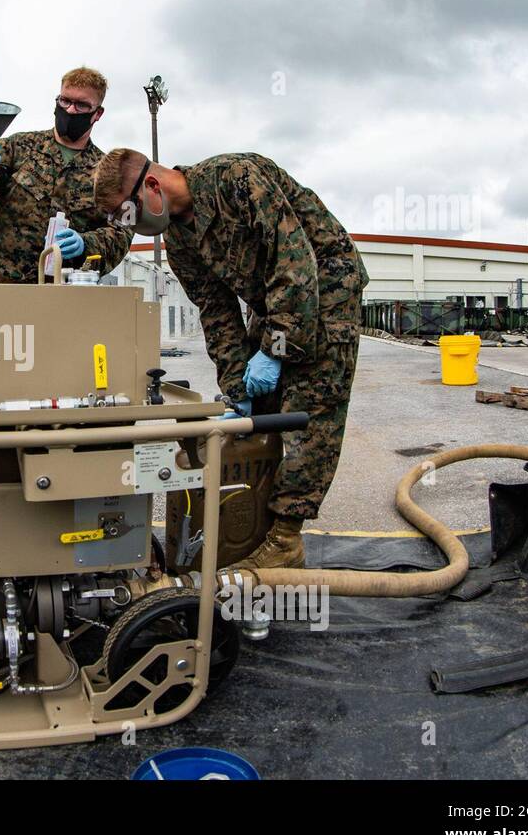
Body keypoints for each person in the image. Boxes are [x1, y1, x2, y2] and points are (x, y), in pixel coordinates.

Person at [93, 149, 369, 571]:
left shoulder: (236, 179)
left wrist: (275, 350)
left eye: (124, 215)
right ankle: (254, 528)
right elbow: (215, 309)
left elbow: (293, 263)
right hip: (274, 299)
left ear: (151, 187)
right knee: (258, 414)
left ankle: (285, 540)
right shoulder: (180, 241)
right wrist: (237, 384)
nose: (127, 228)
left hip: (327, 284)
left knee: (309, 408)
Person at [0, 67, 132, 283]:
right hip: (0, 287)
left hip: (63, 293)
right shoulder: (18, 147)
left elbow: (122, 233)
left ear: (98, 113)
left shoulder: (107, 173)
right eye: (65, 101)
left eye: (82, 105)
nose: (71, 110)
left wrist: (86, 244)